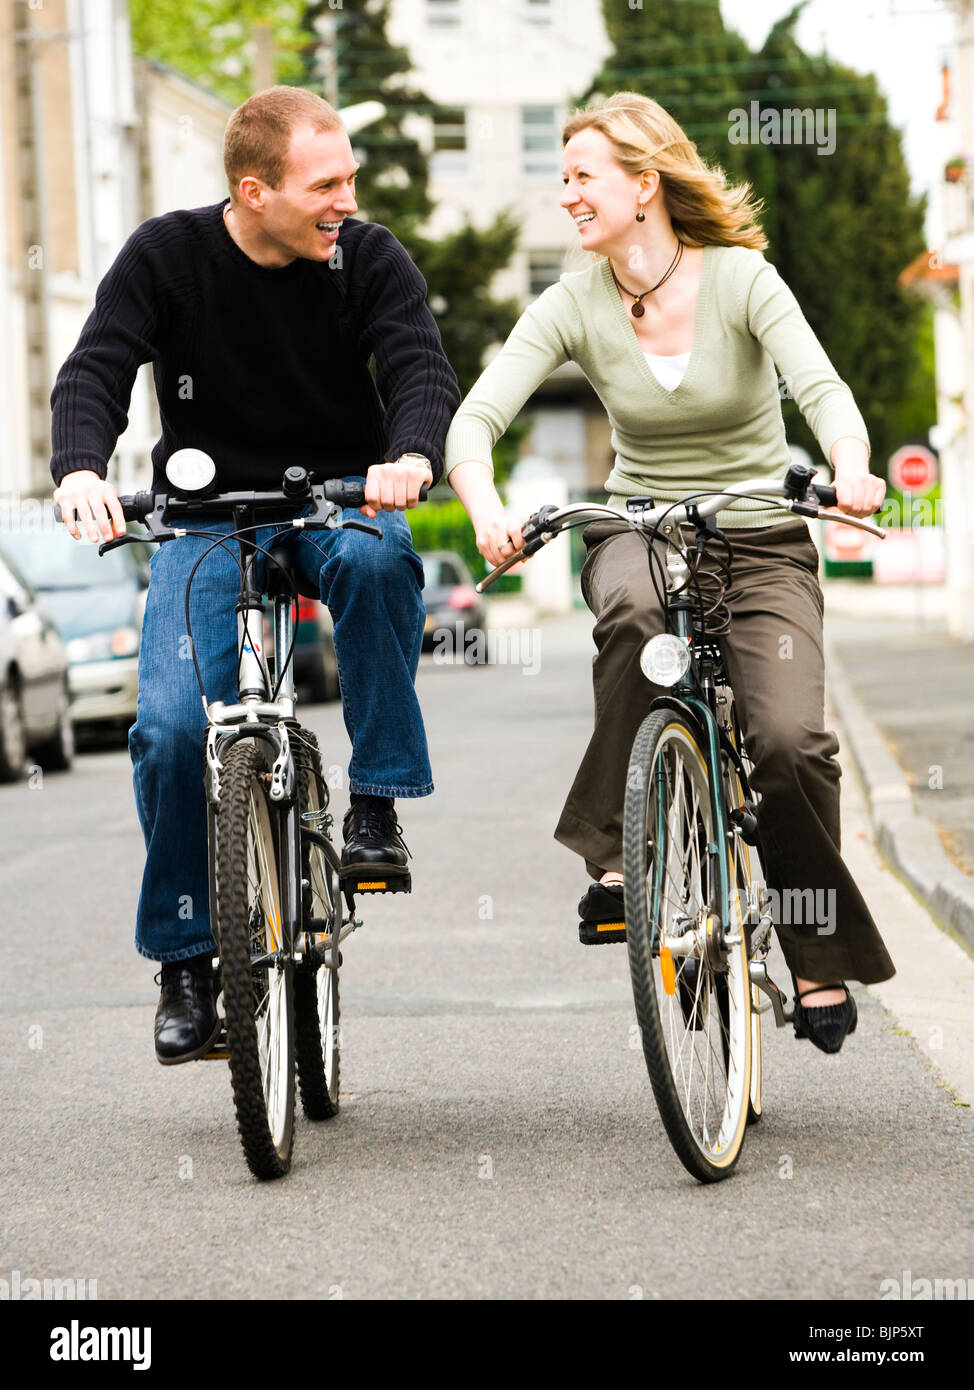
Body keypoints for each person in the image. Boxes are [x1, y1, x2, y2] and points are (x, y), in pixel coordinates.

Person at [445, 92, 894, 1055]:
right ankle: (618, 860)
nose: (566, 194)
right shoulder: (571, 303)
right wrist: (487, 512)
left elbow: (823, 391)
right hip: (639, 528)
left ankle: (815, 949)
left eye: (584, 176)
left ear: (644, 184)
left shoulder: (742, 281)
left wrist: (852, 468)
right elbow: (475, 422)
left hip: (762, 538)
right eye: (559, 177)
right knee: (636, 620)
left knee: (787, 740)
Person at [50, 86, 459, 1064]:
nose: (346, 202)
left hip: (337, 497)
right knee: (168, 730)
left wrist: (409, 452)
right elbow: (95, 368)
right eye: (327, 184)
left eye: (350, 178)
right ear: (254, 190)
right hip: (206, 518)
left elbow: (417, 368)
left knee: (373, 557)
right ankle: (188, 963)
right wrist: (77, 469)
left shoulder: (366, 258)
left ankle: (375, 803)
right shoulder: (168, 256)